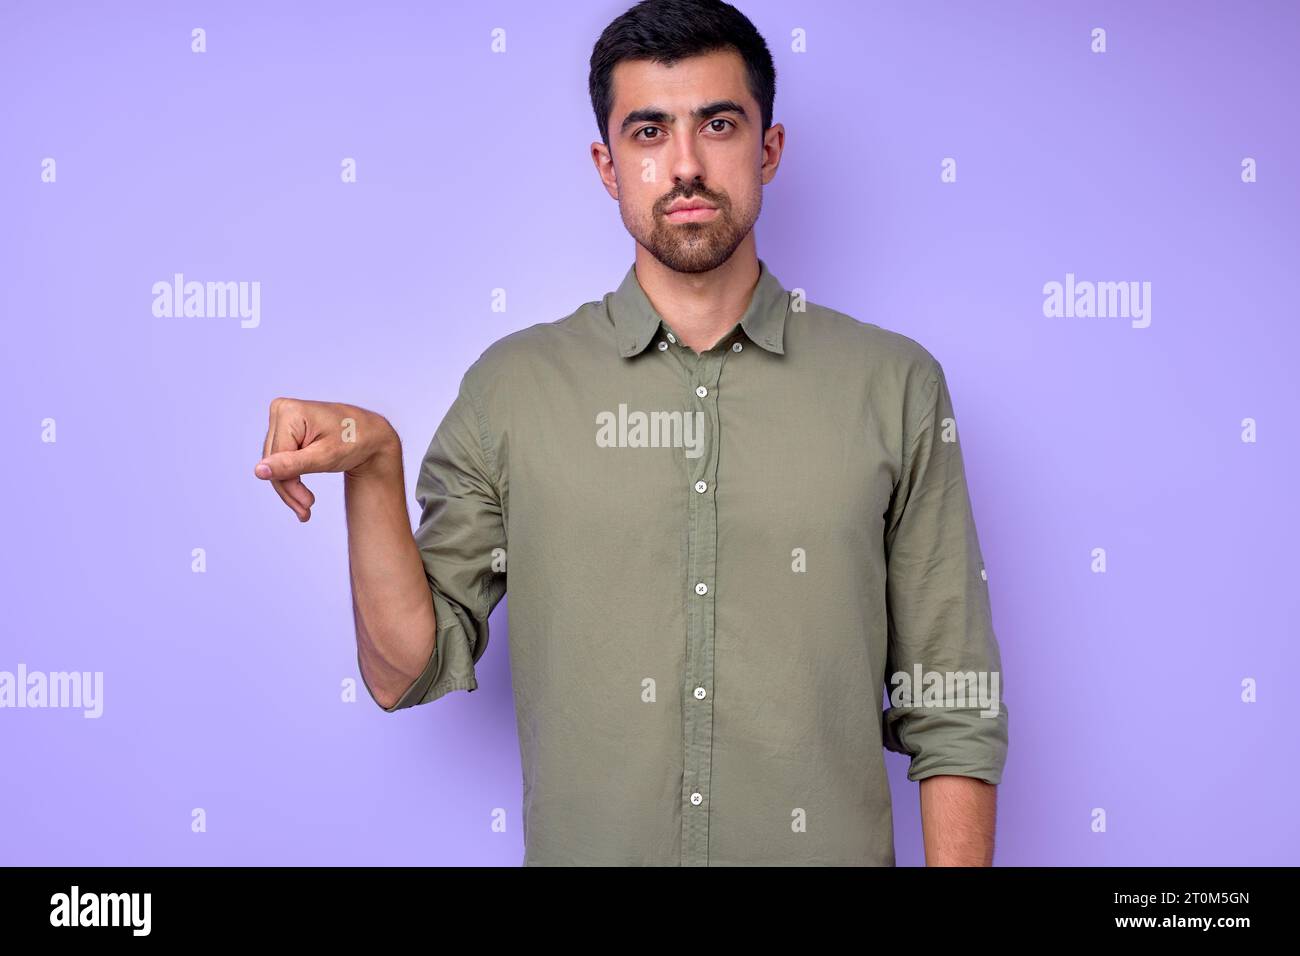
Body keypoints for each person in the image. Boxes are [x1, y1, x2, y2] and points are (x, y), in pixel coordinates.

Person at [254, 0, 1008, 866]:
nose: (685, 164)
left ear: (769, 148)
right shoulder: (514, 390)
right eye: (649, 132)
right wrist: (376, 465)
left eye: (717, 125)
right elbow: (402, 672)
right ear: (608, 166)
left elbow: (953, 705)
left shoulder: (895, 386)